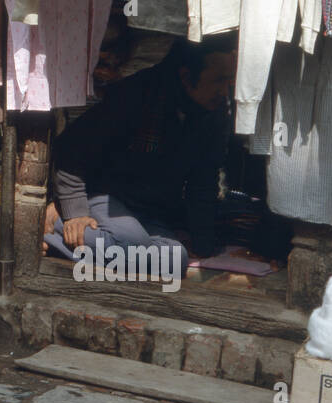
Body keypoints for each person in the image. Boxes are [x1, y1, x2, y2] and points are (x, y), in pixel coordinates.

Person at [44, 37, 237, 281]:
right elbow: (71, 148)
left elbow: (204, 181)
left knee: (176, 260)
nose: (225, 91)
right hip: (104, 198)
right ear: (187, 77)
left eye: (229, 82)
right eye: (219, 81)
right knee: (132, 244)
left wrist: (203, 241)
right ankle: (49, 228)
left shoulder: (214, 114)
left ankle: (78, 245)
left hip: (148, 214)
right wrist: (74, 212)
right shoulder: (137, 94)